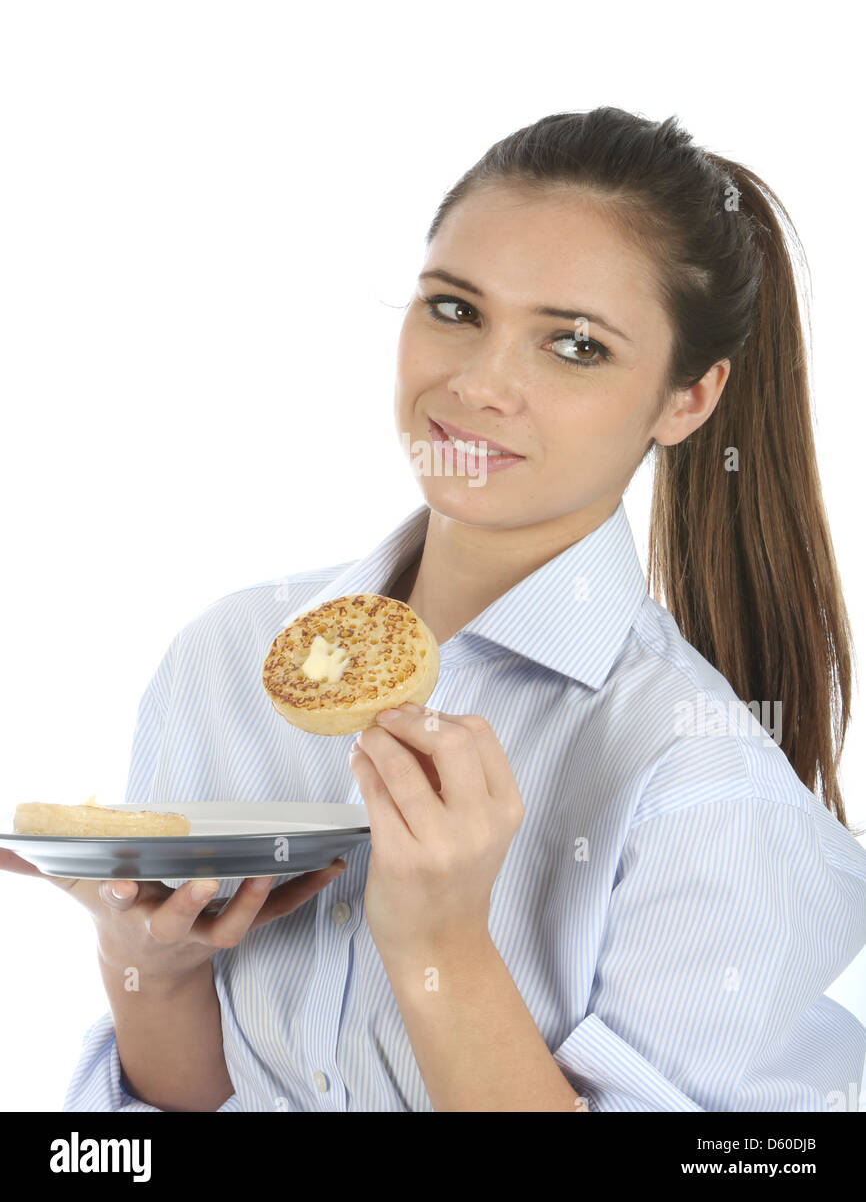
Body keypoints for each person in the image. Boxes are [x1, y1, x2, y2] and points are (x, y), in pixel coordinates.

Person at [3, 106, 864, 1111]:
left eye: (574, 345)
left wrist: (443, 946)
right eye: (456, 310)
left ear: (687, 400)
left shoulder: (702, 783)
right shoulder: (228, 661)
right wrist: (149, 961)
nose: (478, 384)